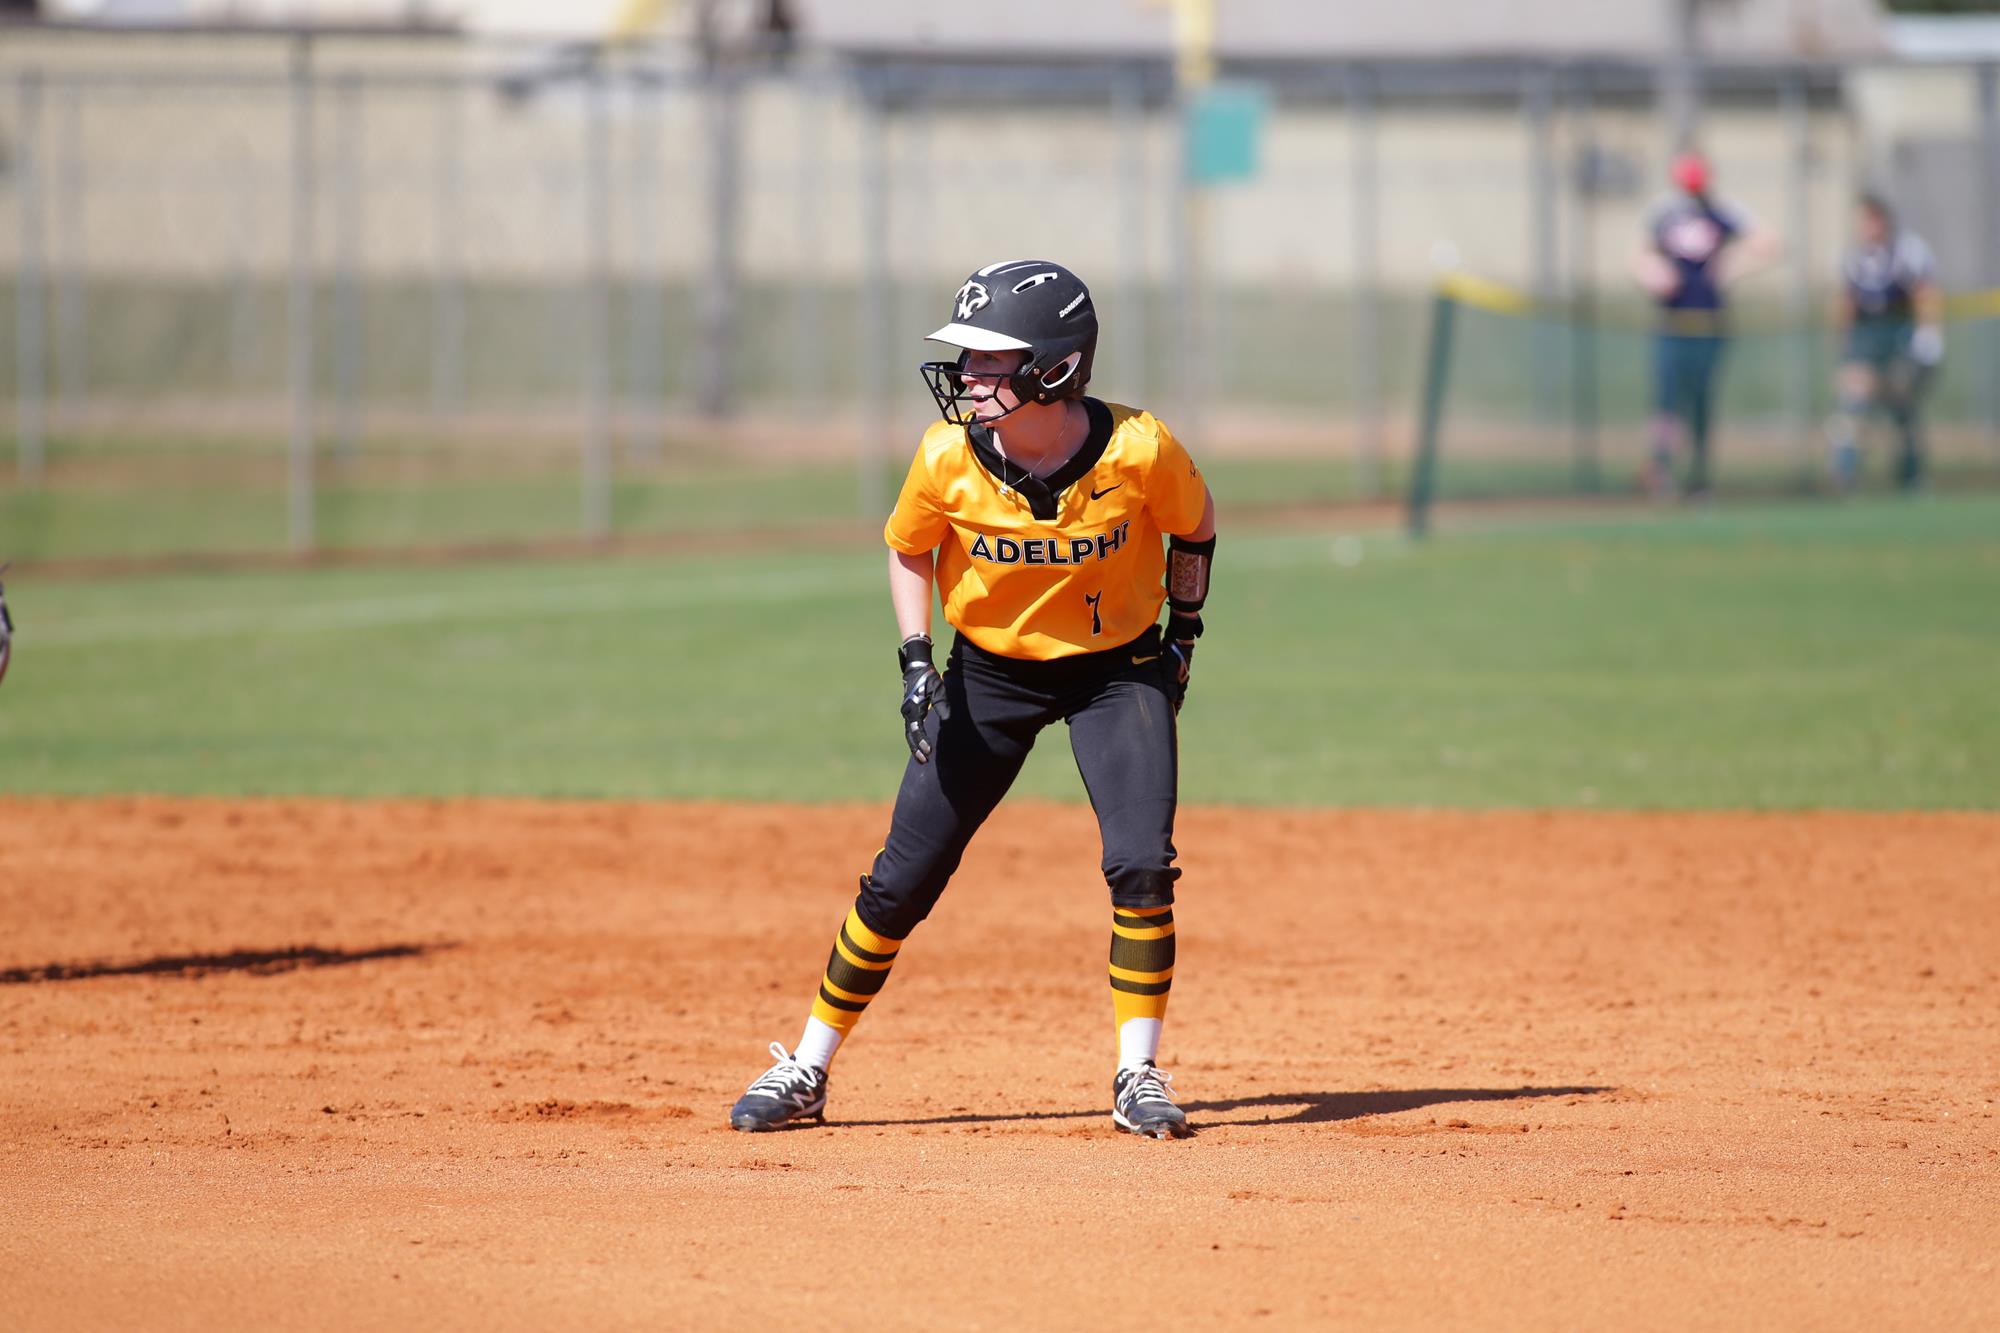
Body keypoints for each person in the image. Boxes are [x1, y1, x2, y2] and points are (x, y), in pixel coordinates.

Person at [728, 259, 1217, 1140]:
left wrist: (1184, 633)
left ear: (1057, 368)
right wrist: (916, 661)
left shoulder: (1140, 449)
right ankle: (806, 1066)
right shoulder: (946, 455)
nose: (969, 375)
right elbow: (909, 548)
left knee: (1142, 865)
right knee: (900, 879)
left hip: (1117, 671)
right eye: (968, 357)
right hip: (991, 673)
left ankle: (1137, 1074)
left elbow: (1196, 525)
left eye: (992, 359)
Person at [1631, 149, 1782, 500]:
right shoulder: (1664, 211)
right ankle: (1661, 469)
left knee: (1700, 400)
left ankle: (1699, 476)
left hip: (1710, 324)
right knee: (1666, 400)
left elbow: (1769, 242)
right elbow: (1639, 256)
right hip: (1672, 323)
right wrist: (1653, 274)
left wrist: (1735, 264)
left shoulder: (1723, 210)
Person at [1828, 193, 1945, 493]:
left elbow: (1924, 293)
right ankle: (1846, 477)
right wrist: (1844, 347)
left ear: (1882, 220)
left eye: (1869, 220)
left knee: (1902, 405)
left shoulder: (1908, 250)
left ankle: (1911, 476)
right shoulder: (1853, 257)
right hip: (1866, 335)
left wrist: (1928, 333)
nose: (1865, 228)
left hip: (1898, 333)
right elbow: (1846, 303)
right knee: (1853, 404)